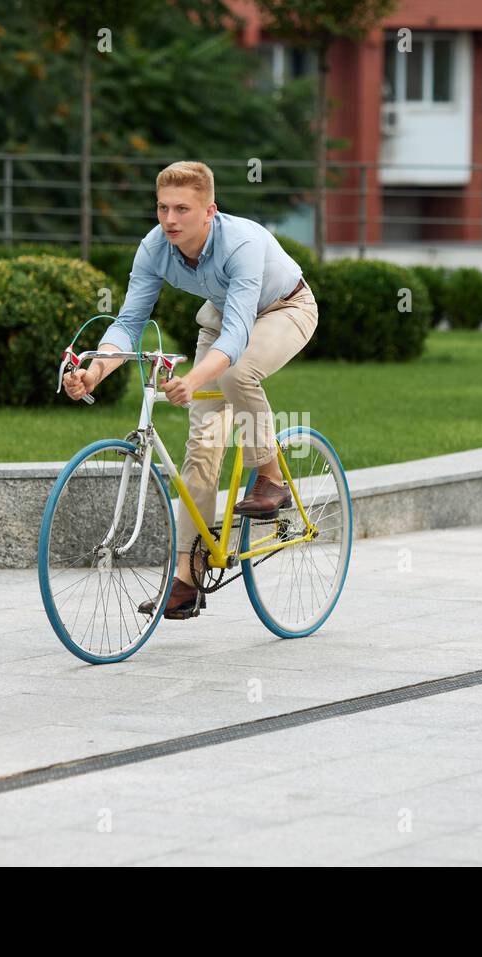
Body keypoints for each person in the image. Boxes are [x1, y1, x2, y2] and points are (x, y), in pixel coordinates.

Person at [62, 160, 318, 619]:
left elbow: (238, 337)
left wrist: (194, 380)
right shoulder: (154, 246)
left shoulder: (239, 242)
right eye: (162, 208)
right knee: (201, 448)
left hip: (286, 307)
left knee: (236, 375)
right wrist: (96, 371)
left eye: (182, 209)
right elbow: (129, 322)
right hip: (223, 317)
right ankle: (186, 580)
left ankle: (272, 478)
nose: (170, 220)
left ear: (209, 211)